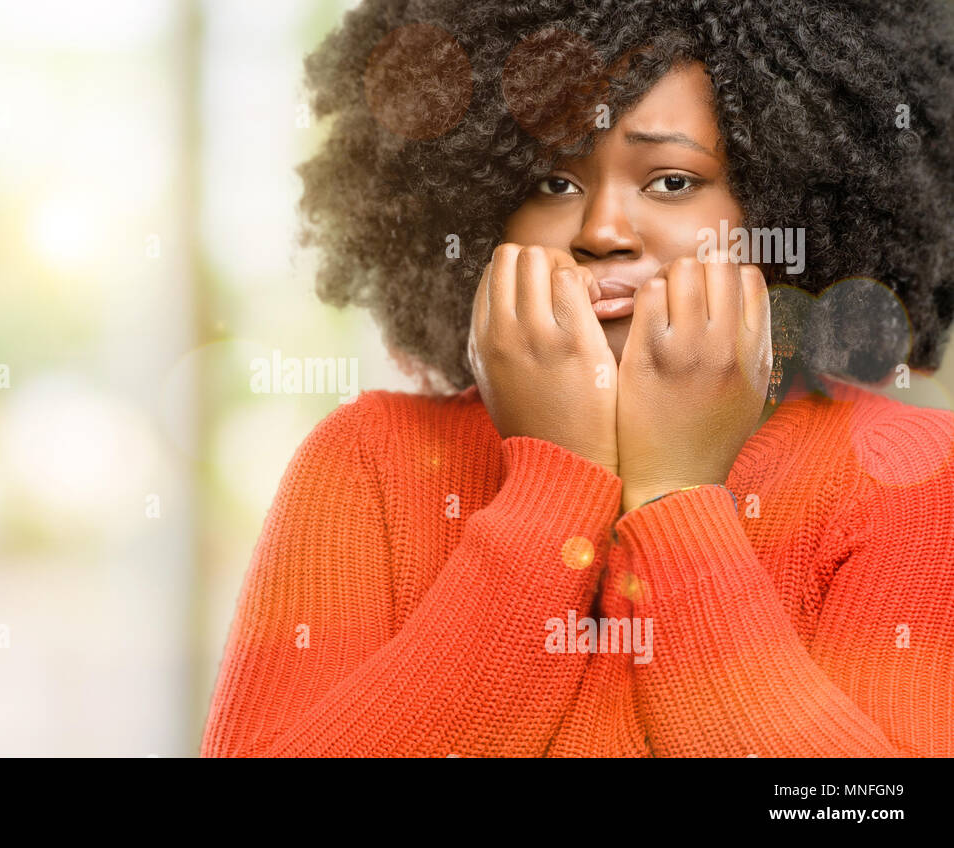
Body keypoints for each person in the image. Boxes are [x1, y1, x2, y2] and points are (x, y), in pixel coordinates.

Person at [201, 0, 954, 756]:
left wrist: (676, 497)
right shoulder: (366, 460)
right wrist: (555, 485)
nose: (600, 232)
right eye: (553, 184)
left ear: (784, 202)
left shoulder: (911, 475)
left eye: (670, 182)